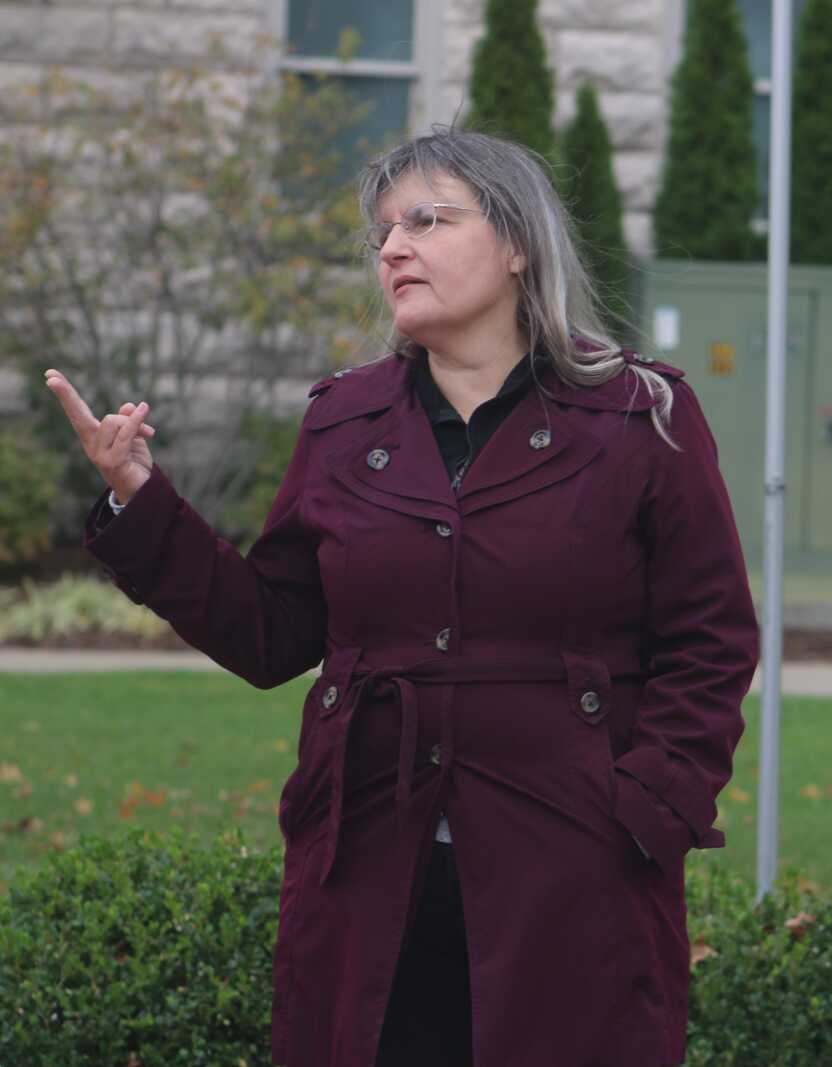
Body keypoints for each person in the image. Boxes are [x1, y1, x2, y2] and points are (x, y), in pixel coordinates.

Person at [43, 129, 760, 1067]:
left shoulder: (640, 416)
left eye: (427, 220)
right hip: (369, 861)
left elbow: (711, 641)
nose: (392, 248)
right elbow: (273, 631)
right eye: (383, 231)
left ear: (517, 244)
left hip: (573, 872)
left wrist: (644, 812)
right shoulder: (344, 422)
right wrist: (142, 501)